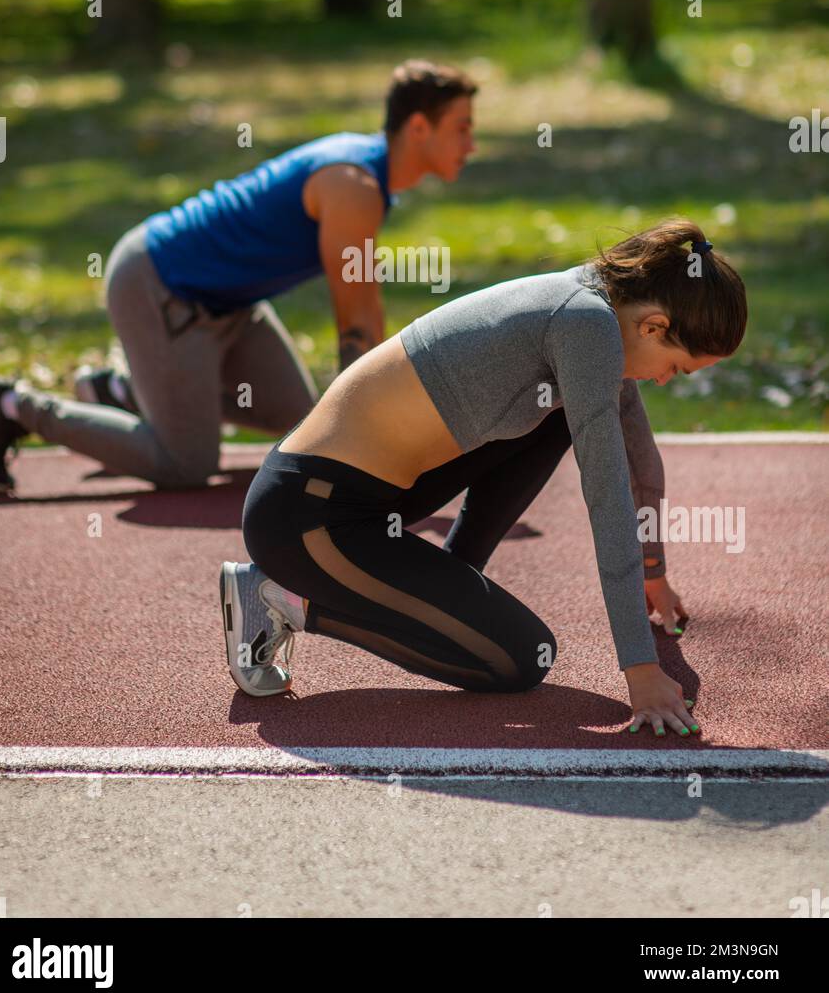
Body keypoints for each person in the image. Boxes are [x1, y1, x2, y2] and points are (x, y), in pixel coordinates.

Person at [220, 219, 747, 739]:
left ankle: (453, 576)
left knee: (558, 412)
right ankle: (284, 597)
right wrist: (641, 668)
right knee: (517, 661)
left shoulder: (592, 304)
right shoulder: (585, 324)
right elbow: (607, 497)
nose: (661, 379)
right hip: (306, 518)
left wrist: (652, 571)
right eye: (674, 367)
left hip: (373, 497)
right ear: (653, 326)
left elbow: (639, 458)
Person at [0, 59, 477, 494]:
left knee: (292, 415)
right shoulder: (354, 185)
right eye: (461, 128)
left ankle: (122, 393)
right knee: (186, 466)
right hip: (160, 286)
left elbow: (363, 312)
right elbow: (355, 321)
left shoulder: (367, 172)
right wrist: (366, 441)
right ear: (417, 128)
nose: (471, 144)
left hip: (232, 306)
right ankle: (13, 406)